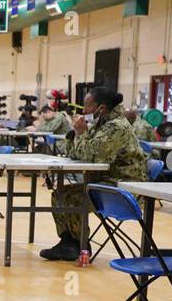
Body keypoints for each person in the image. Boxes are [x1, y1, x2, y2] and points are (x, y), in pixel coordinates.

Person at [46, 87, 147, 261]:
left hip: (124, 187)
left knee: (73, 199)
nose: (83, 110)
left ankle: (80, 244)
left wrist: (80, 134)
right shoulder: (102, 124)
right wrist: (75, 136)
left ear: (102, 107)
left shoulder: (116, 127)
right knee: (59, 195)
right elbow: (76, 153)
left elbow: (92, 157)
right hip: (105, 182)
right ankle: (69, 242)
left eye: (87, 105)